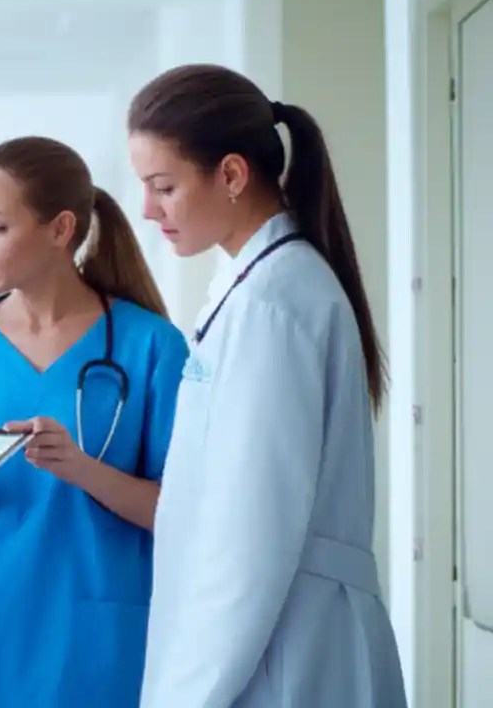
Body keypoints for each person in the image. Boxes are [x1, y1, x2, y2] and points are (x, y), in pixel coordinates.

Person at [127, 63, 406, 707]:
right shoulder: (262, 288)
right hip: (283, 643)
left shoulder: (272, 303)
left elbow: (247, 535)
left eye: (163, 186)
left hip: (285, 652)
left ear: (230, 174)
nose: (147, 209)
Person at [0, 136, 188, 707]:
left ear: (60, 230)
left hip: (99, 636)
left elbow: (181, 514)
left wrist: (81, 470)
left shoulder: (150, 347)